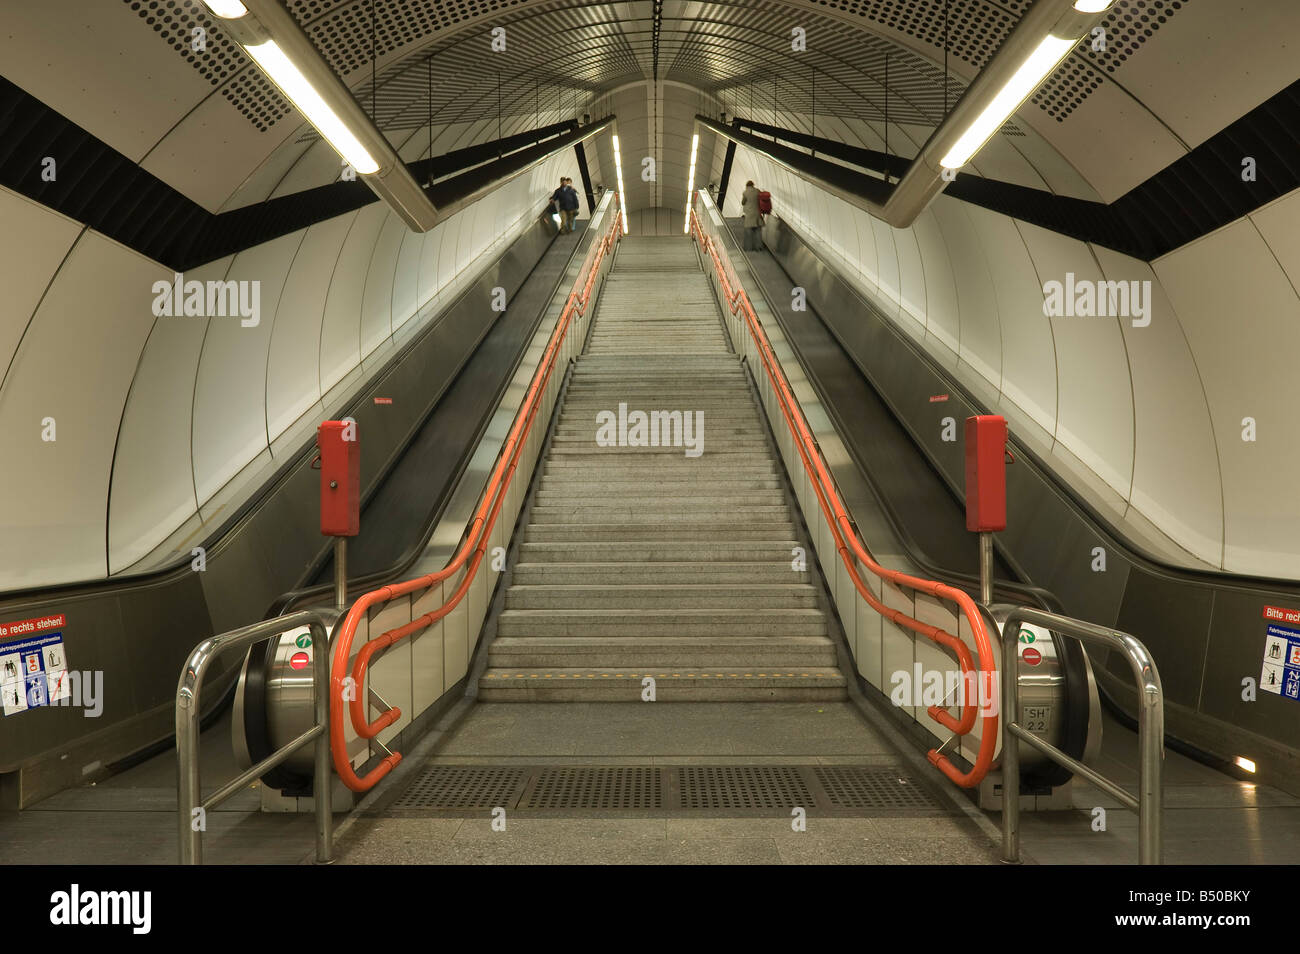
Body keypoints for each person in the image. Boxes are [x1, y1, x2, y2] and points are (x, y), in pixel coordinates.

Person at [741, 179, 763, 250]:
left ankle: (748, 248)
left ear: (747, 186)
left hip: (749, 215)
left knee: (748, 232)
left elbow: (743, 202)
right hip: (757, 214)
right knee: (758, 232)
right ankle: (759, 247)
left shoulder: (745, 192)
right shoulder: (757, 191)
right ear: (753, 185)